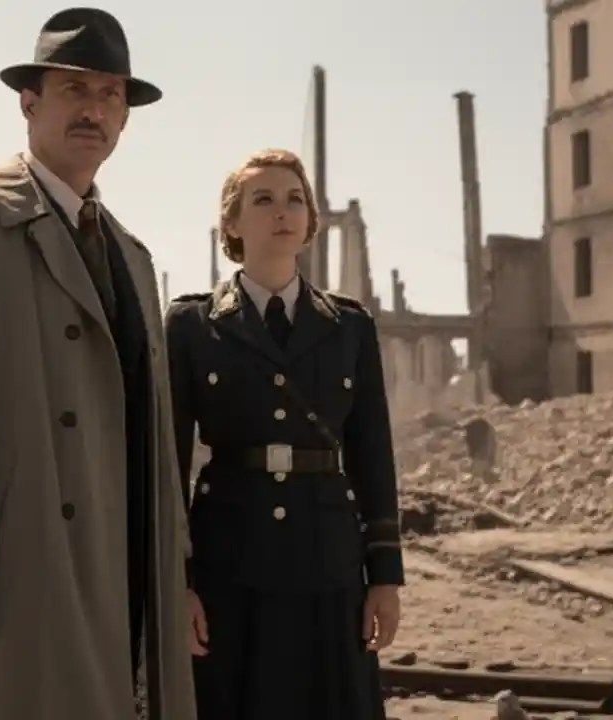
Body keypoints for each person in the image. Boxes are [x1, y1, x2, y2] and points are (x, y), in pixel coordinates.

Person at [0, 7, 195, 720]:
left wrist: (173, 570)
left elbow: (150, 431)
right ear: (29, 100)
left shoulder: (131, 257)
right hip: (13, 557)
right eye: (75, 90)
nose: (96, 110)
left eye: (112, 94)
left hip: (116, 564)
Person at [164, 148, 405, 719]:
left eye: (295, 199)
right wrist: (179, 582)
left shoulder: (349, 326)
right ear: (231, 222)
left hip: (328, 561)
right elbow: (168, 465)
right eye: (263, 199)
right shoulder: (192, 325)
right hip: (229, 559)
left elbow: (373, 455)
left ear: (311, 221)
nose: (282, 211)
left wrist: (385, 578)